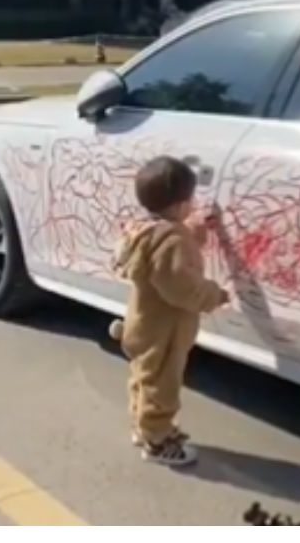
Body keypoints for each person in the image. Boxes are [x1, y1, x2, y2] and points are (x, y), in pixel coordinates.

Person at [109, 155, 229, 465]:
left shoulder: (144, 229)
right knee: (162, 386)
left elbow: (169, 253)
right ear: (178, 206)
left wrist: (196, 232)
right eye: (190, 200)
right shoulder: (172, 239)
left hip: (142, 321)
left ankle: (144, 427)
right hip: (165, 331)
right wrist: (214, 295)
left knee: (143, 377)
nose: (193, 205)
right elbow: (181, 286)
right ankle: (158, 441)